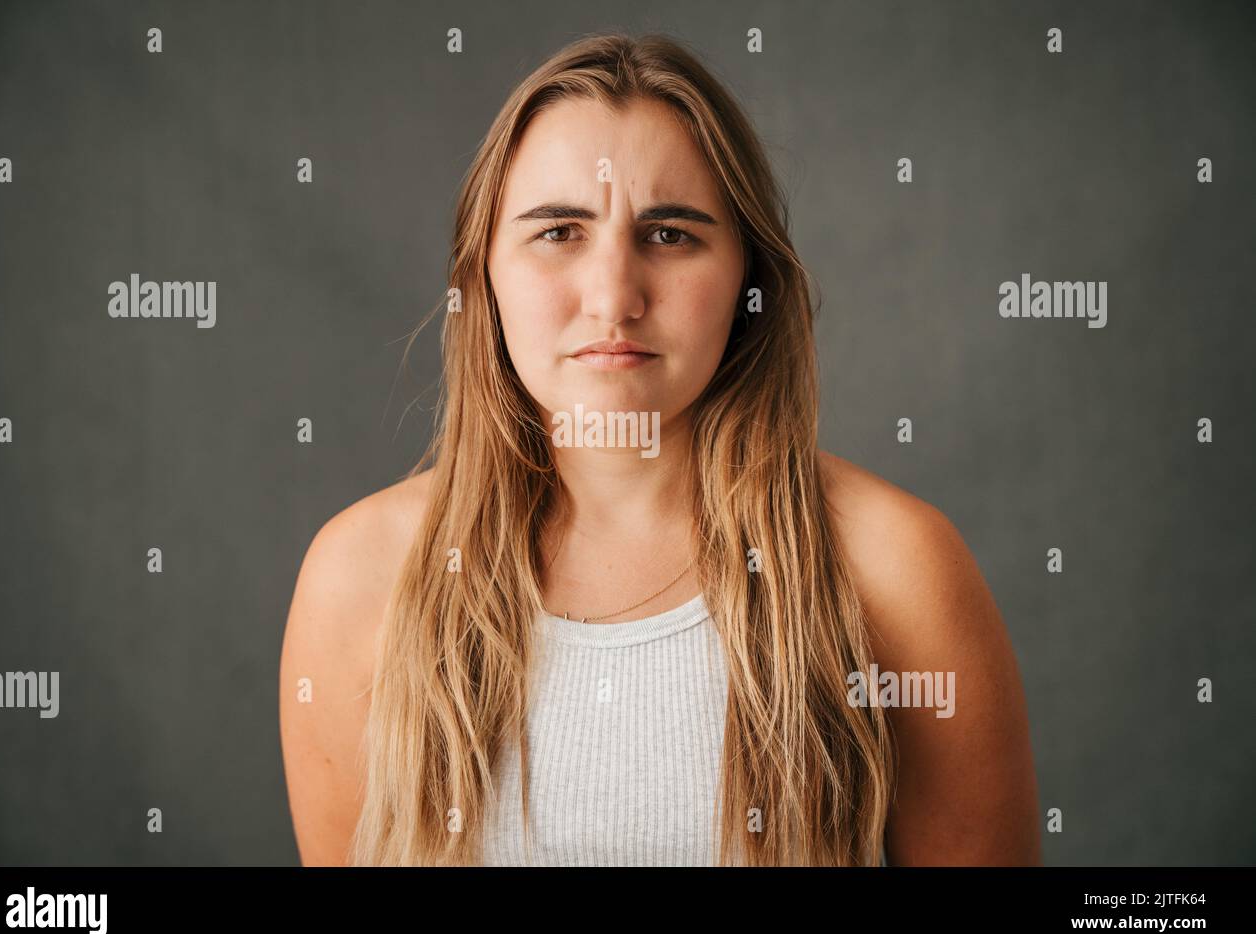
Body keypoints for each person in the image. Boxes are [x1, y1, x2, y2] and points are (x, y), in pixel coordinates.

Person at [279, 32, 1042, 866]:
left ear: (750, 279)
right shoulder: (361, 580)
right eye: (559, 231)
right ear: (482, 277)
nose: (614, 296)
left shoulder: (894, 569)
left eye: (671, 234)